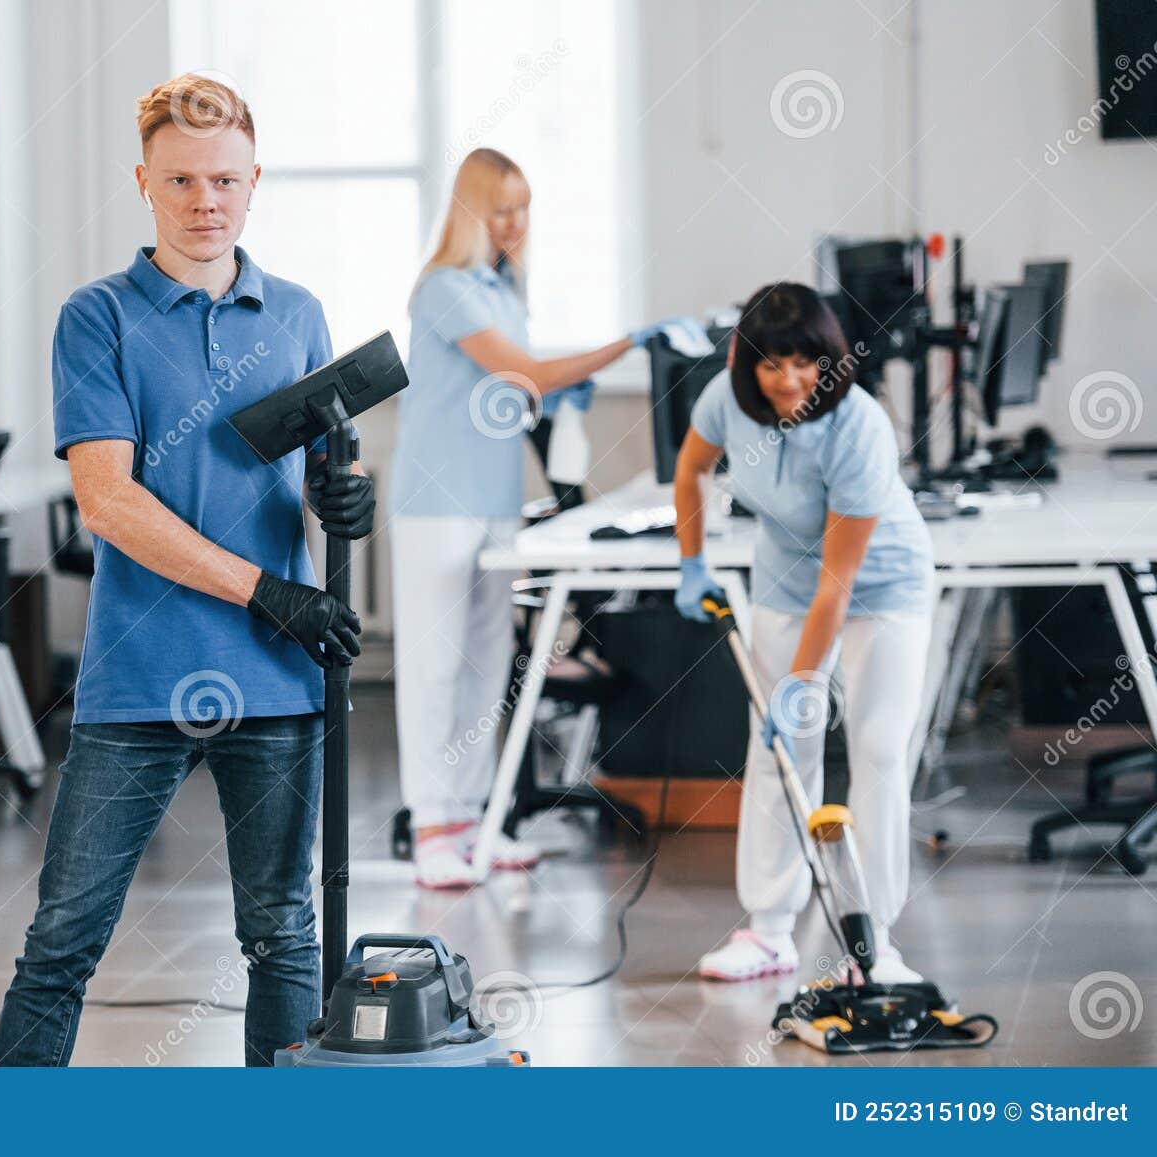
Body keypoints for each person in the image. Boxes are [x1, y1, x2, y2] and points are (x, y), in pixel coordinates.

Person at [0, 74, 376, 1067]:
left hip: (276, 678)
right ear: (143, 183)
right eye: (181, 181)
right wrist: (268, 591)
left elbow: (320, 467)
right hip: (141, 672)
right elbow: (108, 502)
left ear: (254, 182)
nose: (206, 201)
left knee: (282, 932)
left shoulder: (297, 314)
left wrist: (343, 498)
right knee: (63, 939)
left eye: (225, 180)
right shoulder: (98, 317)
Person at [387, 146, 691, 890]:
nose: (515, 223)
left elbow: (517, 390)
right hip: (435, 503)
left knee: (485, 665)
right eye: (501, 210)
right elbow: (521, 370)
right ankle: (430, 827)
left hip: (494, 499)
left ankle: (474, 820)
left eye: (523, 208)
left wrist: (556, 399)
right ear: (471, 212)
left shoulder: (504, 291)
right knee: (435, 668)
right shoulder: (443, 288)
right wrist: (628, 344)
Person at [672, 282, 935, 983]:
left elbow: (838, 584)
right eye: (772, 363)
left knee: (879, 749)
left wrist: (802, 683)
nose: (789, 379)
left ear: (831, 359)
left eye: (805, 362)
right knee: (781, 751)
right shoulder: (727, 400)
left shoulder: (859, 427)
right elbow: (692, 468)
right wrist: (692, 562)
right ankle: (769, 931)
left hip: (883, 586)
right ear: (744, 360)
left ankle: (875, 943)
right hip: (786, 582)